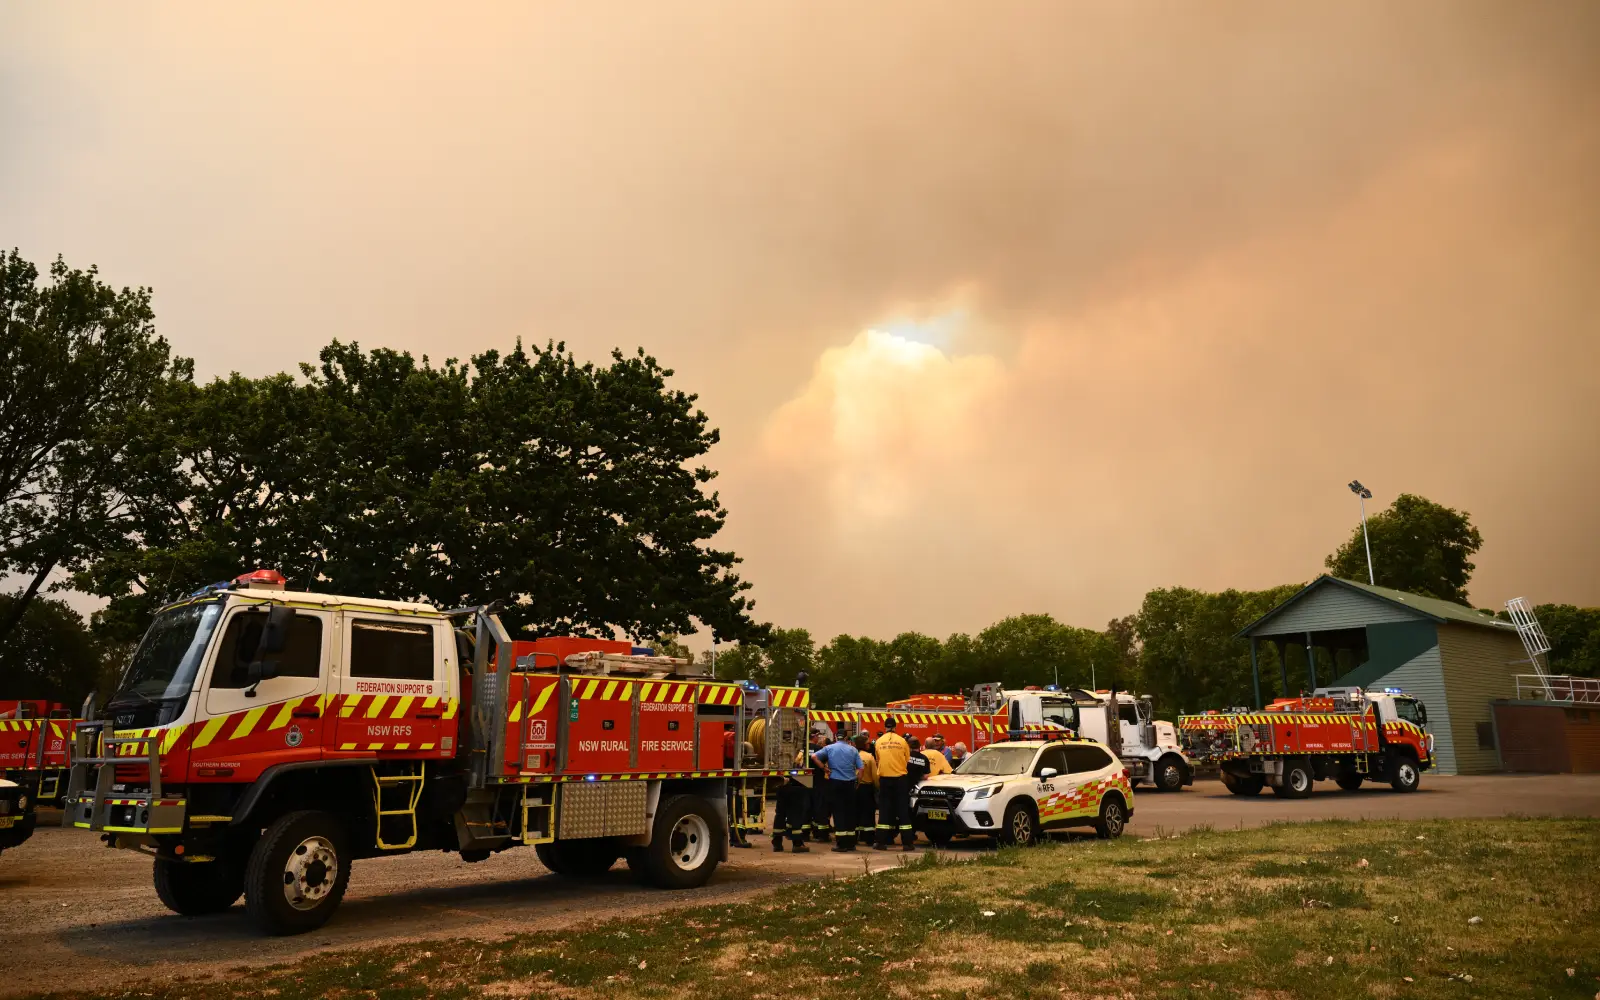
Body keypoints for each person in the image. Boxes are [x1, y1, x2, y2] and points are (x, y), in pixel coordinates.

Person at [811, 731, 863, 852]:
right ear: (846, 737)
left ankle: (841, 843)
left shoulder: (829, 748)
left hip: (835, 782)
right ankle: (851, 843)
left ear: (835, 737)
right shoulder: (853, 750)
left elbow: (814, 757)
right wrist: (858, 782)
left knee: (838, 812)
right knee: (850, 812)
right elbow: (861, 768)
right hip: (850, 783)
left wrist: (824, 768)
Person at [872, 718, 914, 850]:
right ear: (895, 727)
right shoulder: (902, 741)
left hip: (885, 779)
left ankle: (881, 841)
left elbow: (878, 760)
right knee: (902, 811)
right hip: (900, 779)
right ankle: (907, 843)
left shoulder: (879, 741)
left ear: (885, 727)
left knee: (884, 810)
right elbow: (907, 759)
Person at [771, 770, 811, 853]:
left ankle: (777, 843)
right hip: (796, 784)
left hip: (782, 784)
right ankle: (797, 844)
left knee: (780, 814)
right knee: (795, 814)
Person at [852, 732, 878, 846]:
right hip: (866, 788)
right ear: (863, 745)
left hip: (853, 787)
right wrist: (877, 787)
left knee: (855, 812)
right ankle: (868, 838)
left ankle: (854, 836)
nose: (869, 745)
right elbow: (875, 776)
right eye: (867, 743)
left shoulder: (850, 755)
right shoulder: (869, 757)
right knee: (868, 813)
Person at [808, 730, 832, 843]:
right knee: (820, 807)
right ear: (815, 736)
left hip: (804, 782)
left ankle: (805, 833)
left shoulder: (802, 748)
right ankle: (821, 834)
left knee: (807, 807)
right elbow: (828, 762)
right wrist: (824, 768)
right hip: (818, 781)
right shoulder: (819, 750)